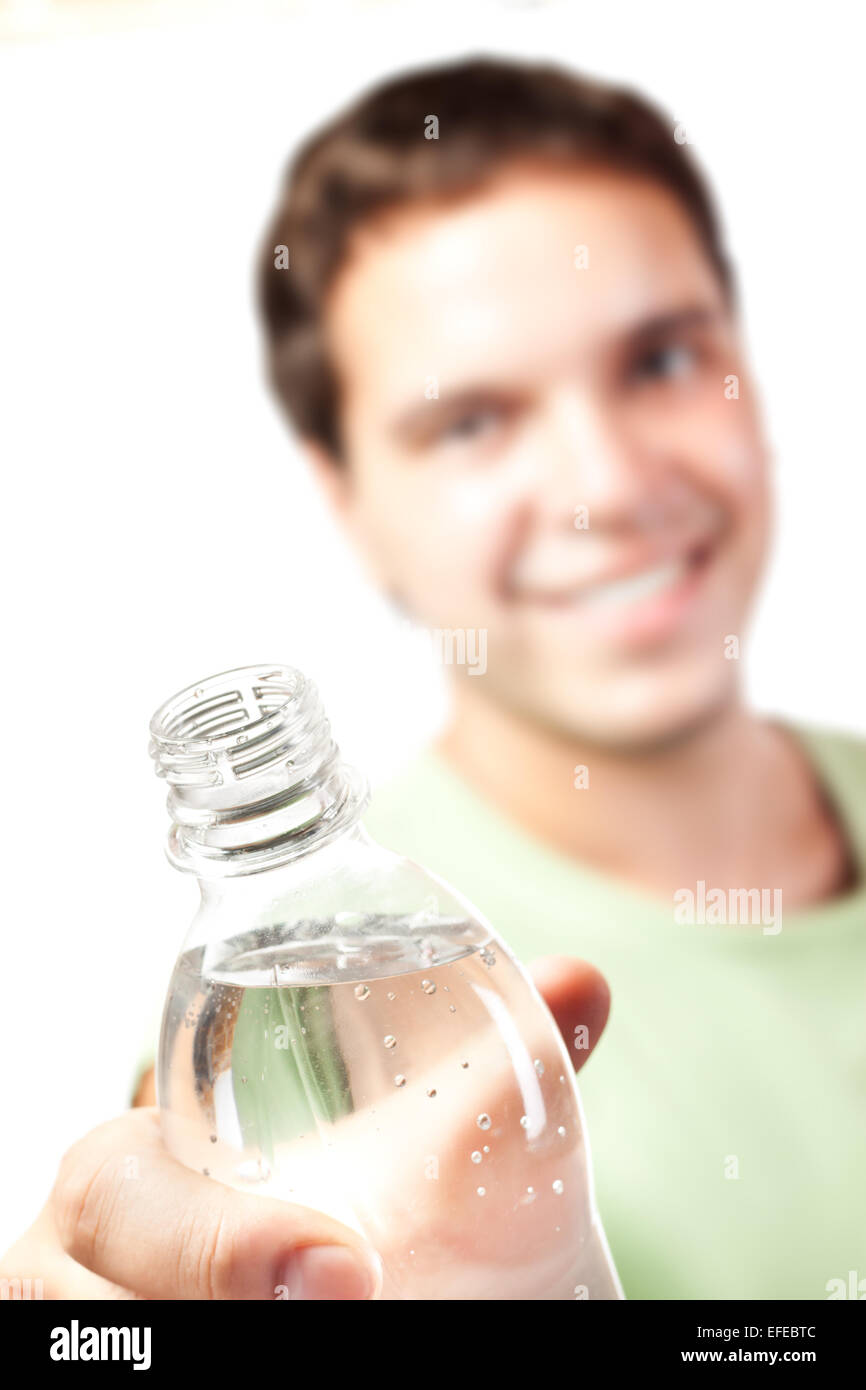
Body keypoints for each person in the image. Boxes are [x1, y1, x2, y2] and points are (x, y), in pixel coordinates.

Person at [4, 57, 864, 1301]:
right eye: (468, 421)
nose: (604, 486)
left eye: (660, 361)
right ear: (344, 498)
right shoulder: (316, 1016)